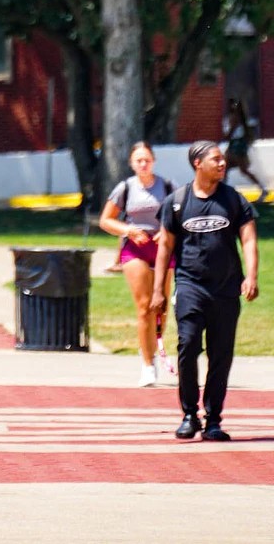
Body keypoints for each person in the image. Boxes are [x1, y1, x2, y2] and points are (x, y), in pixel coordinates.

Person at [152, 140, 260, 443]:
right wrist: (159, 291)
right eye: (216, 160)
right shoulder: (178, 201)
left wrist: (250, 276)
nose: (223, 164)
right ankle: (189, 414)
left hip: (226, 290)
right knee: (187, 346)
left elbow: (248, 240)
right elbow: (165, 247)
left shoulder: (234, 200)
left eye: (222, 159)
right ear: (198, 163)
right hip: (190, 286)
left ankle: (213, 420)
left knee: (220, 355)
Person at [98, 141, 175, 387]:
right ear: (132, 163)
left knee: (160, 307)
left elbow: (179, 215)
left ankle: (158, 346)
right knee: (144, 307)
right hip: (135, 250)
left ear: (153, 161)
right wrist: (129, 230)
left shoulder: (166, 186)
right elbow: (106, 221)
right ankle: (147, 364)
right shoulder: (126, 188)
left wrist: (166, 232)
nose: (143, 164)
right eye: (138, 160)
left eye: (147, 160)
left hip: (162, 248)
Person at [223, 98, 268, 202]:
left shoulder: (234, 118)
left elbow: (230, 133)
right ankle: (222, 193)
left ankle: (263, 189)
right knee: (227, 168)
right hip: (237, 146)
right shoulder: (241, 118)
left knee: (238, 169)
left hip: (236, 146)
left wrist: (225, 136)